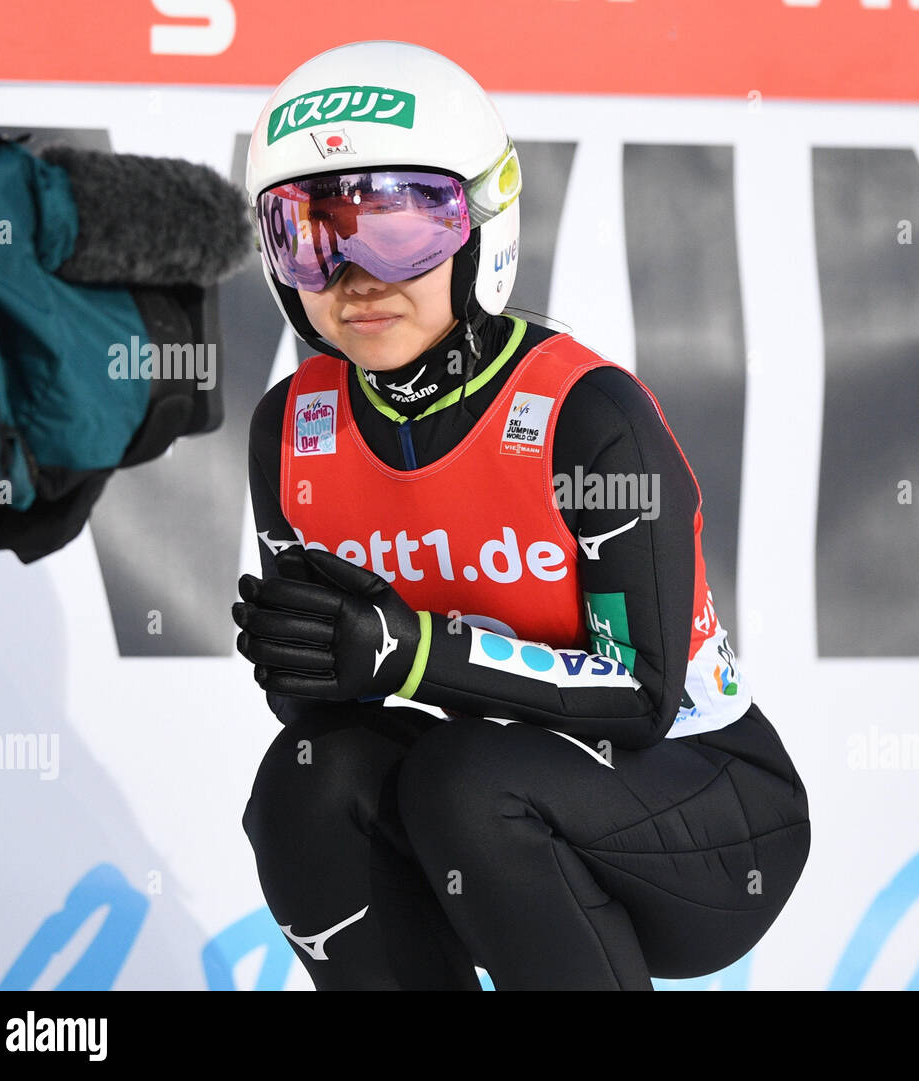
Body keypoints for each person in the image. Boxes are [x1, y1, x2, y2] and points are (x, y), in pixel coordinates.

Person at [232, 39, 810, 991]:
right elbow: (324, 713)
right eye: (311, 233)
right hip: (490, 779)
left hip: (707, 799)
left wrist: (409, 649)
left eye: (399, 226)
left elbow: (643, 694)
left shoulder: (587, 415)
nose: (356, 277)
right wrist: (314, 662)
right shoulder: (294, 429)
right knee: (303, 782)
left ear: (480, 225)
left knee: (468, 780)